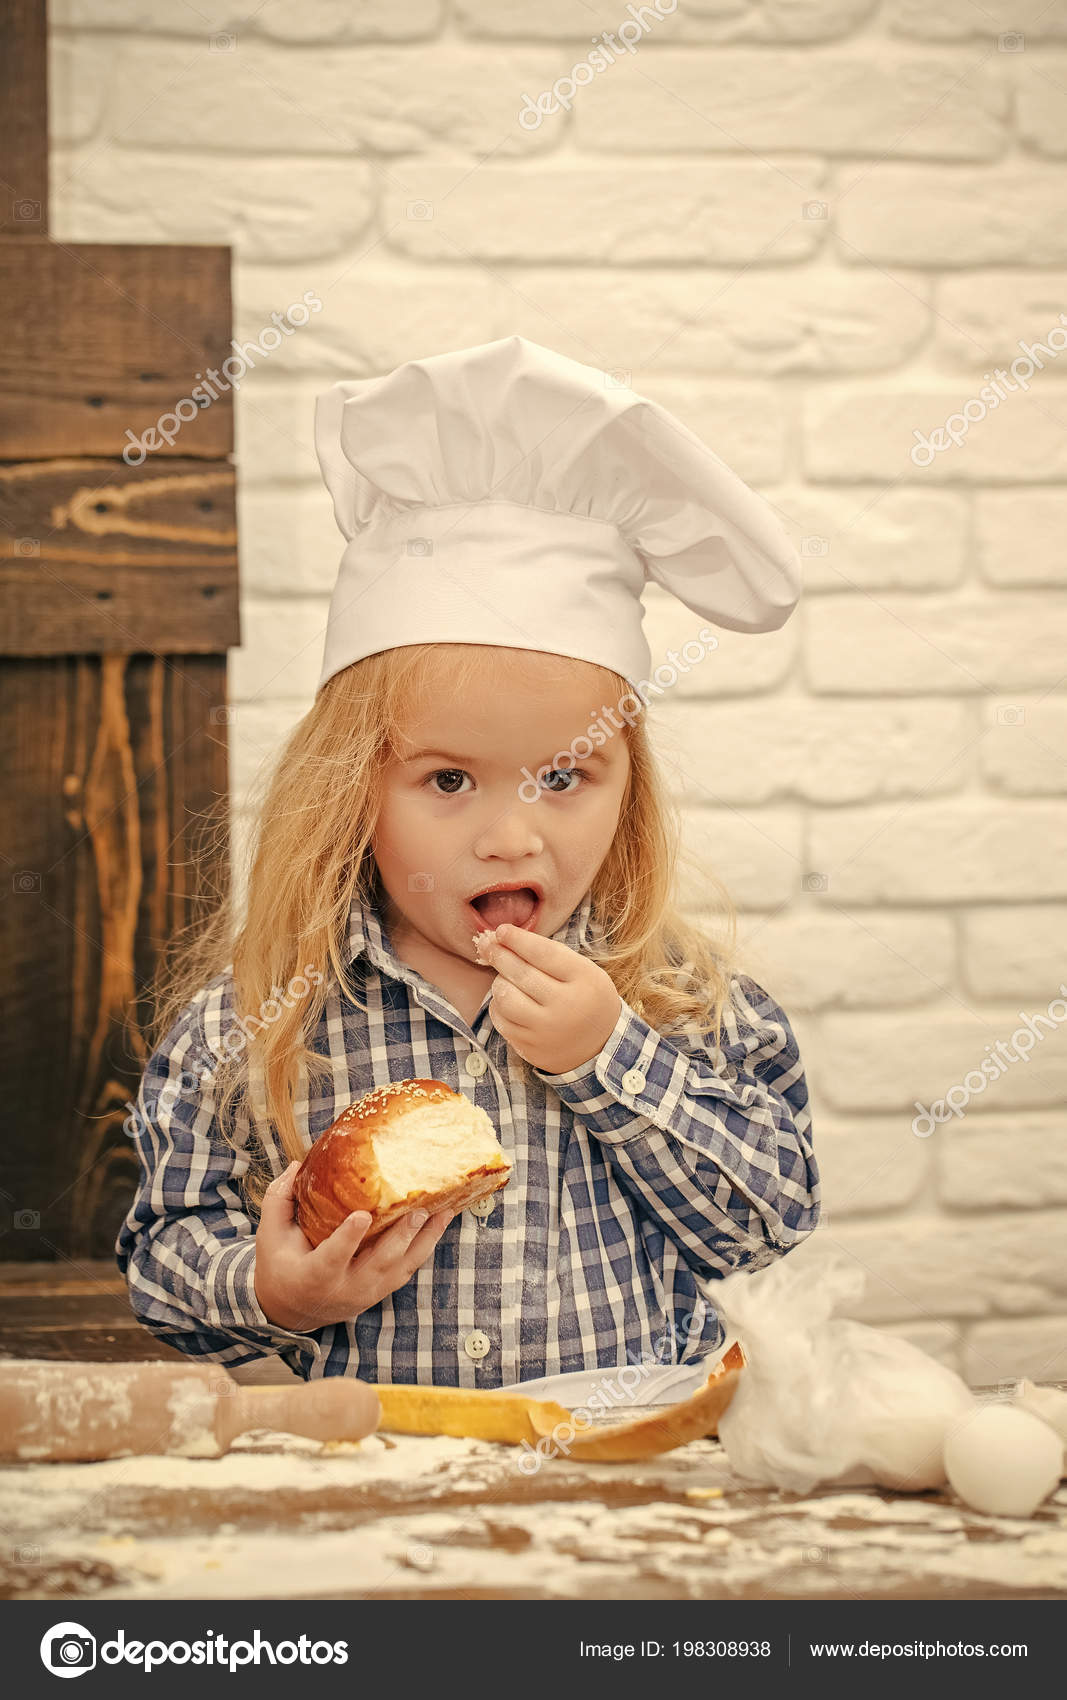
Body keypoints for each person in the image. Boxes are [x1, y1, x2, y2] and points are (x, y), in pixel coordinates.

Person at [115, 335, 820, 1386]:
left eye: (564, 776)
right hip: (383, 1469)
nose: (510, 836)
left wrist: (610, 1057)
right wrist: (271, 1293)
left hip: (622, 1464)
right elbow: (162, 1256)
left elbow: (766, 1226)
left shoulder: (683, 1003)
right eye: (449, 780)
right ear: (351, 789)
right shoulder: (255, 1019)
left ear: (627, 793)